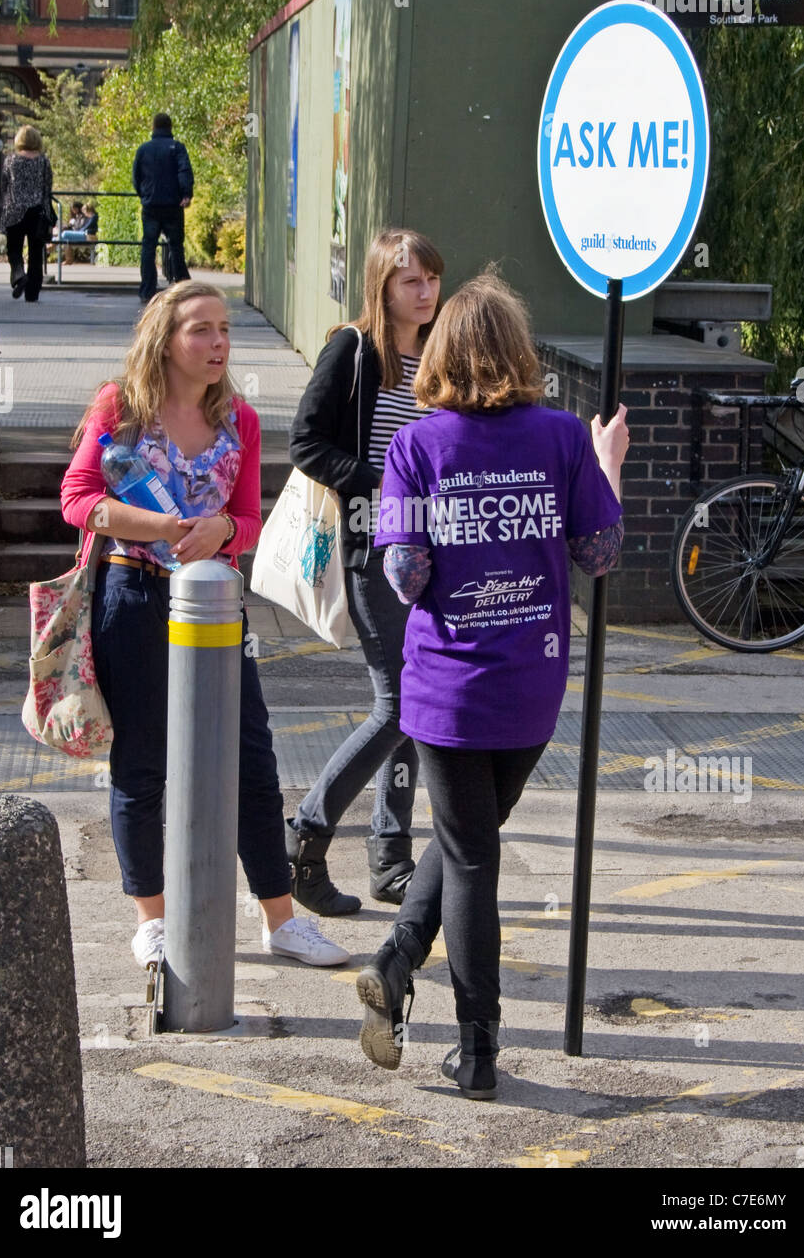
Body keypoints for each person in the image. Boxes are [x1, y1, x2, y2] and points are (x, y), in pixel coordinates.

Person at [355, 270, 629, 1099]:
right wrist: (606, 464)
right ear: (519, 351)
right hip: (532, 685)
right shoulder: (560, 438)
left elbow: (403, 572)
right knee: (470, 843)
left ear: (441, 354)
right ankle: (401, 960)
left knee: (471, 851)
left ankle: (475, 1049)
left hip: (445, 686)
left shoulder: (417, 445)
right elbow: (601, 555)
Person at [60, 280, 348, 970]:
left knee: (251, 755)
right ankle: (153, 921)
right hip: (134, 592)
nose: (218, 343)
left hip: (215, 602)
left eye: (224, 330)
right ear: (166, 339)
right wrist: (156, 525)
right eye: (201, 331)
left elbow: (251, 520)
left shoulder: (240, 419)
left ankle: (280, 921)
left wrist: (224, 527)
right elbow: (78, 500)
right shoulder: (120, 407)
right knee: (141, 763)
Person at [286, 228, 443, 914]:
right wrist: (384, 481)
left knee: (413, 712)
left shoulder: (438, 356)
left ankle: (389, 858)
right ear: (383, 284)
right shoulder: (352, 350)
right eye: (412, 281)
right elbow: (305, 442)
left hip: (430, 550)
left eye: (433, 280)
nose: (427, 292)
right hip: (370, 545)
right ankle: (306, 839)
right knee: (398, 705)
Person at [132, 112, 193, 304]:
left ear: (153, 127)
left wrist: (144, 195)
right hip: (172, 204)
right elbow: (184, 171)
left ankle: (147, 290)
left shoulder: (144, 149)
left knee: (148, 246)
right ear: (170, 127)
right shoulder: (177, 148)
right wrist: (186, 194)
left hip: (151, 205)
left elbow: (136, 177)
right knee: (176, 246)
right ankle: (181, 286)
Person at [0, 125, 54, 302]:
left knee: (14, 249)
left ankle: (18, 274)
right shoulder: (43, 162)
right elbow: (47, 188)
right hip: (37, 211)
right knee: (36, 253)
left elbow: (4, 186)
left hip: (14, 210)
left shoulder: (10, 161)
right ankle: (32, 293)